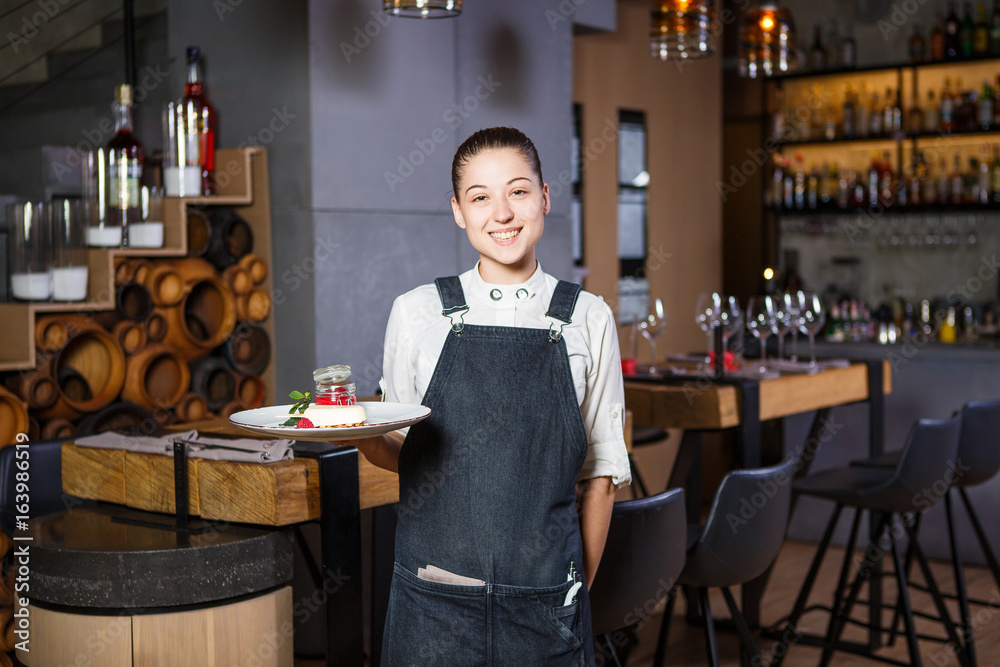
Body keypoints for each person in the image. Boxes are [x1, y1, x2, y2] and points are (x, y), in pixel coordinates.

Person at [354, 127, 630, 666]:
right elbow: (402, 453)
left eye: (518, 191)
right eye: (480, 197)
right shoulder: (417, 312)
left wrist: (575, 596)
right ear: (458, 210)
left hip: (547, 600)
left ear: (545, 197)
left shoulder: (588, 317)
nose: (501, 213)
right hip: (432, 601)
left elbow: (602, 476)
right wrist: (361, 434)